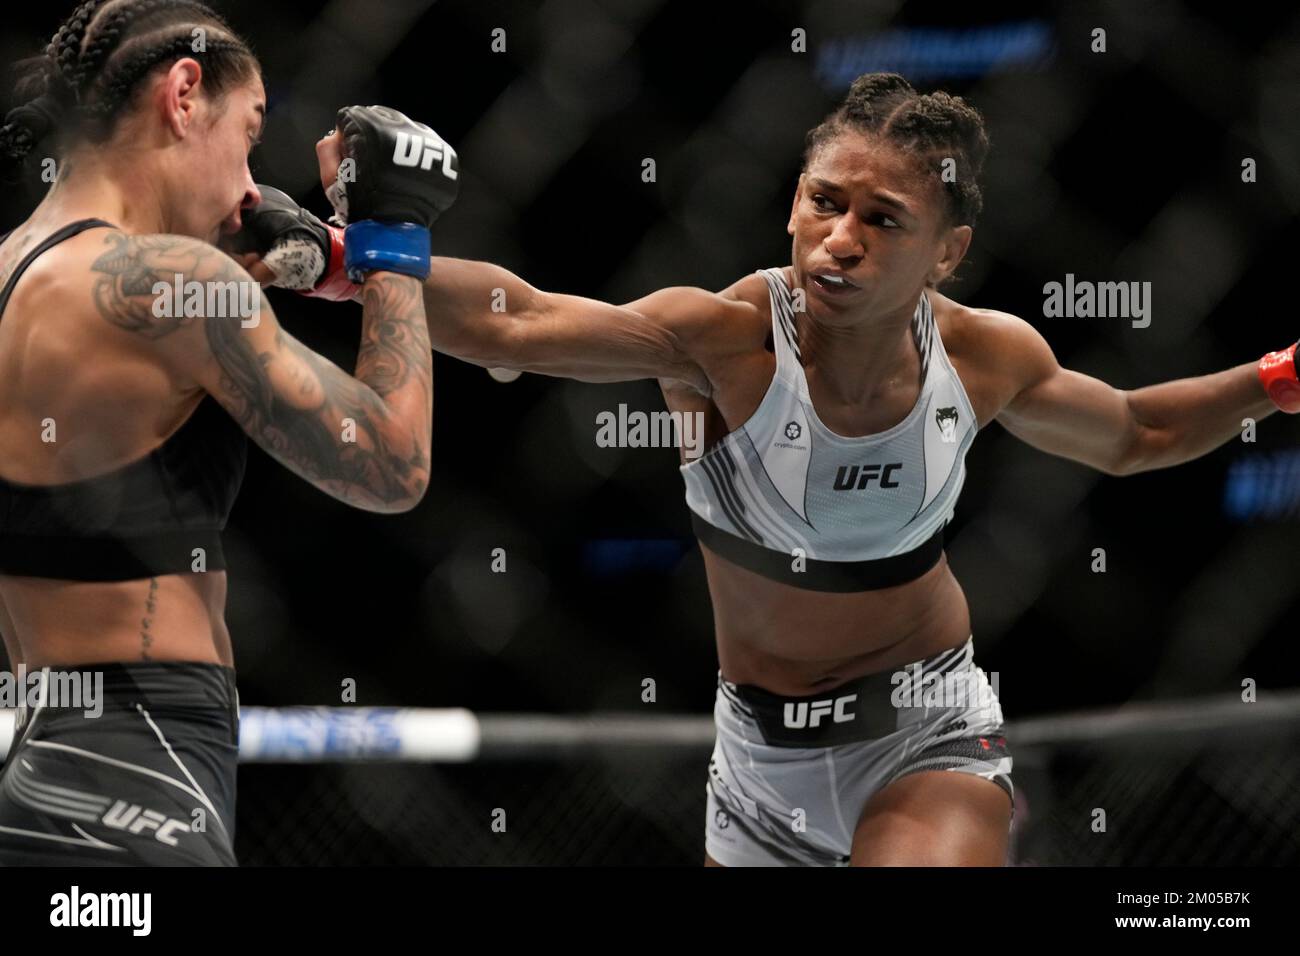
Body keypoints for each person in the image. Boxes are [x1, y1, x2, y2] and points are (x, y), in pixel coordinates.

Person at [240, 72, 1299, 866]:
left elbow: (1131, 433)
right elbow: (533, 321)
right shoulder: (727, 339)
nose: (838, 239)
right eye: (822, 201)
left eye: (882, 220)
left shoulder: (984, 354)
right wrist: (348, 262)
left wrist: (1272, 377)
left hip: (924, 729)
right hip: (754, 764)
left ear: (945, 250)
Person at [0, 0, 456, 865]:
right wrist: (394, 238)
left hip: (43, 759)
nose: (252, 184)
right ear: (182, 95)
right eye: (248, 136)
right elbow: (392, 464)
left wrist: (325, 261)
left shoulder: (15, 271)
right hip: (144, 777)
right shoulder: (167, 279)